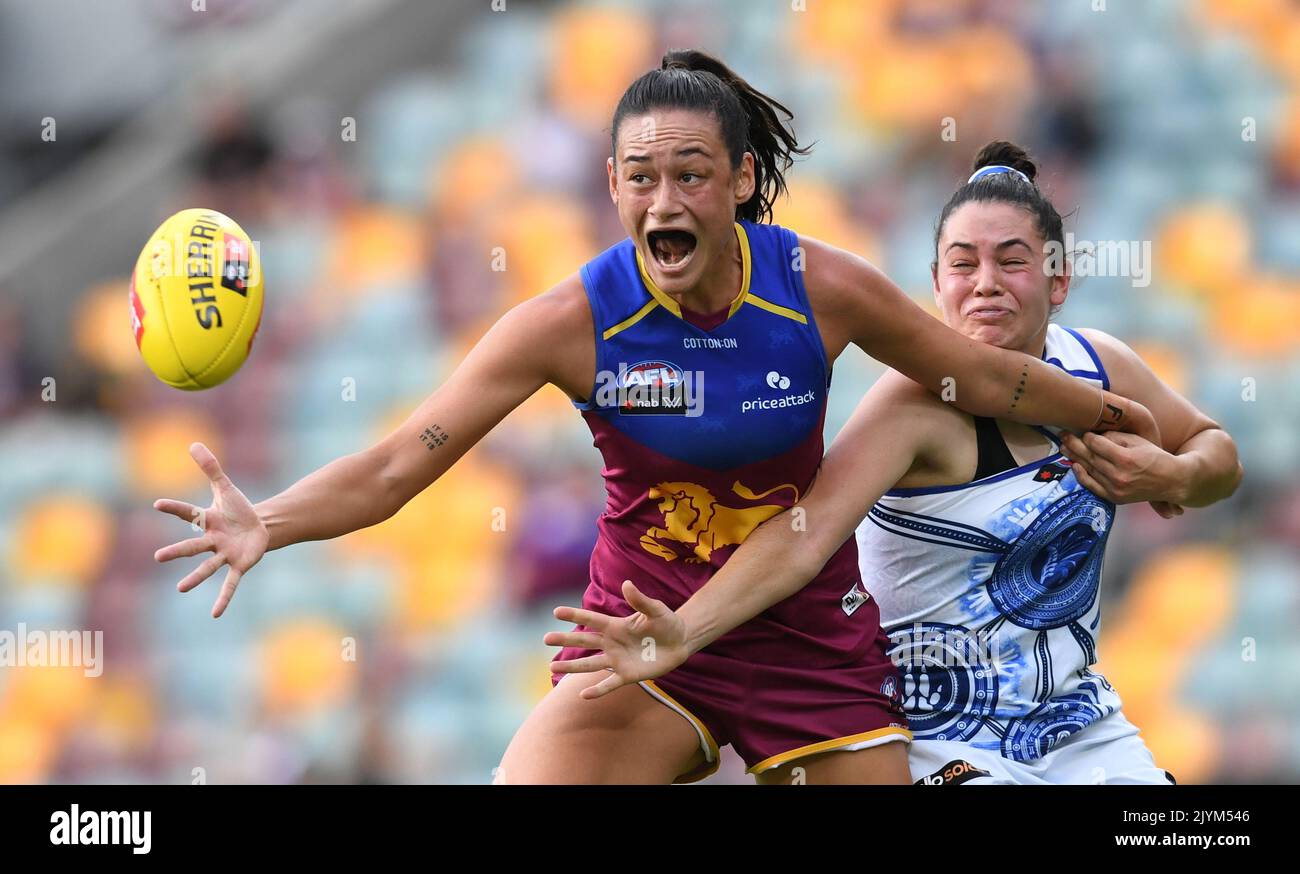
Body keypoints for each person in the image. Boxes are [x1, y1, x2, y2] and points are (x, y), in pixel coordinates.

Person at [154, 51, 1158, 785]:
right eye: (639, 176)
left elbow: (980, 379)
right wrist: (268, 522)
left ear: (737, 184)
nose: (662, 197)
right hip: (640, 636)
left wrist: (1115, 417)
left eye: (688, 173)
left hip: (810, 641)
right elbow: (391, 469)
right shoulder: (566, 325)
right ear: (611, 189)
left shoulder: (821, 289)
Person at [545, 140, 1242, 785]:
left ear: (1059, 281)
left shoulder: (1098, 365)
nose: (986, 283)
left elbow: (1216, 453)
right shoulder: (914, 405)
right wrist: (684, 632)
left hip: (1082, 730)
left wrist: (1174, 476)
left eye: (1013, 261)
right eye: (964, 264)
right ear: (938, 283)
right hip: (941, 740)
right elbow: (802, 539)